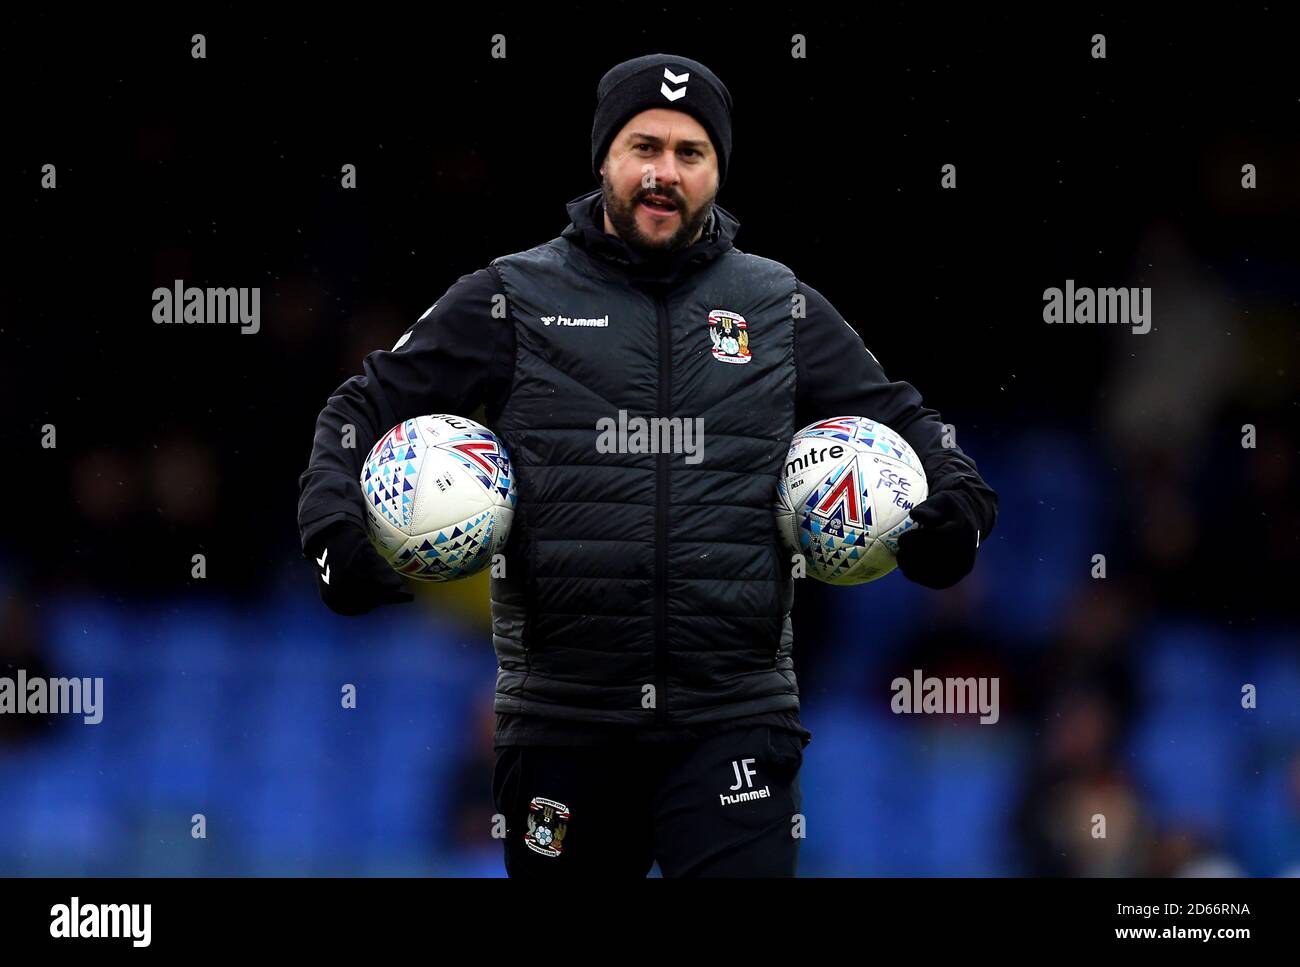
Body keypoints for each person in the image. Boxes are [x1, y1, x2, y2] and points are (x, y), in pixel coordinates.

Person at [297, 53, 998, 877]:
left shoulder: (779, 305)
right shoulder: (510, 296)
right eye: (645, 146)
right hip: (563, 728)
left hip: (733, 719)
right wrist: (333, 524)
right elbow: (361, 407)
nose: (664, 173)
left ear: (718, 171)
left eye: (690, 153)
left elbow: (911, 422)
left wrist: (960, 507)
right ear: (605, 159)